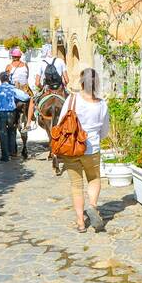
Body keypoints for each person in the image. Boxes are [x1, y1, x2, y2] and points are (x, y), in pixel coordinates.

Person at [57, 67, 110, 232]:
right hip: (92, 148)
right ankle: (92, 206)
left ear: (81, 82)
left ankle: (80, 222)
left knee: (76, 184)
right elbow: (105, 130)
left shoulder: (72, 100)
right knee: (94, 179)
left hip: (72, 148)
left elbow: (60, 123)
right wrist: (95, 139)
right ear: (96, 83)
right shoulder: (101, 104)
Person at [0, 71, 21, 162]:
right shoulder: (13, 88)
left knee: (3, 133)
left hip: (0, 114)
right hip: (12, 113)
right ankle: (12, 152)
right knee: (12, 132)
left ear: (0, 79)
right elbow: (24, 97)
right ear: (8, 79)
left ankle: (5, 156)